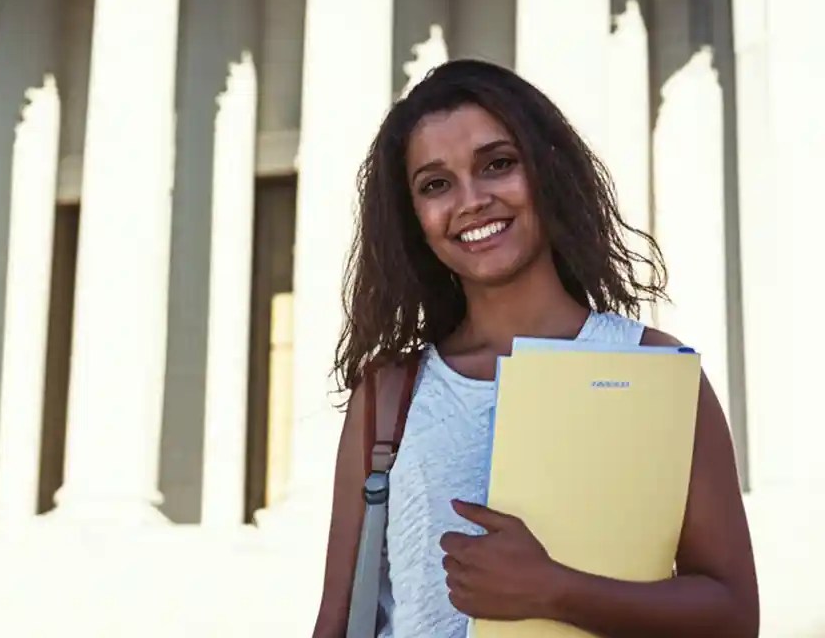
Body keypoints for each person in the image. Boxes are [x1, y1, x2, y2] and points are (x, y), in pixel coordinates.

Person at [312, 59, 759, 637]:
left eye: (497, 164)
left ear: (546, 169)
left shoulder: (653, 370)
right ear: (413, 219)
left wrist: (554, 588)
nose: (471, 200)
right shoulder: (389, 394)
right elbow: (338, 618)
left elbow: (732, 615)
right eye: (436, 184)